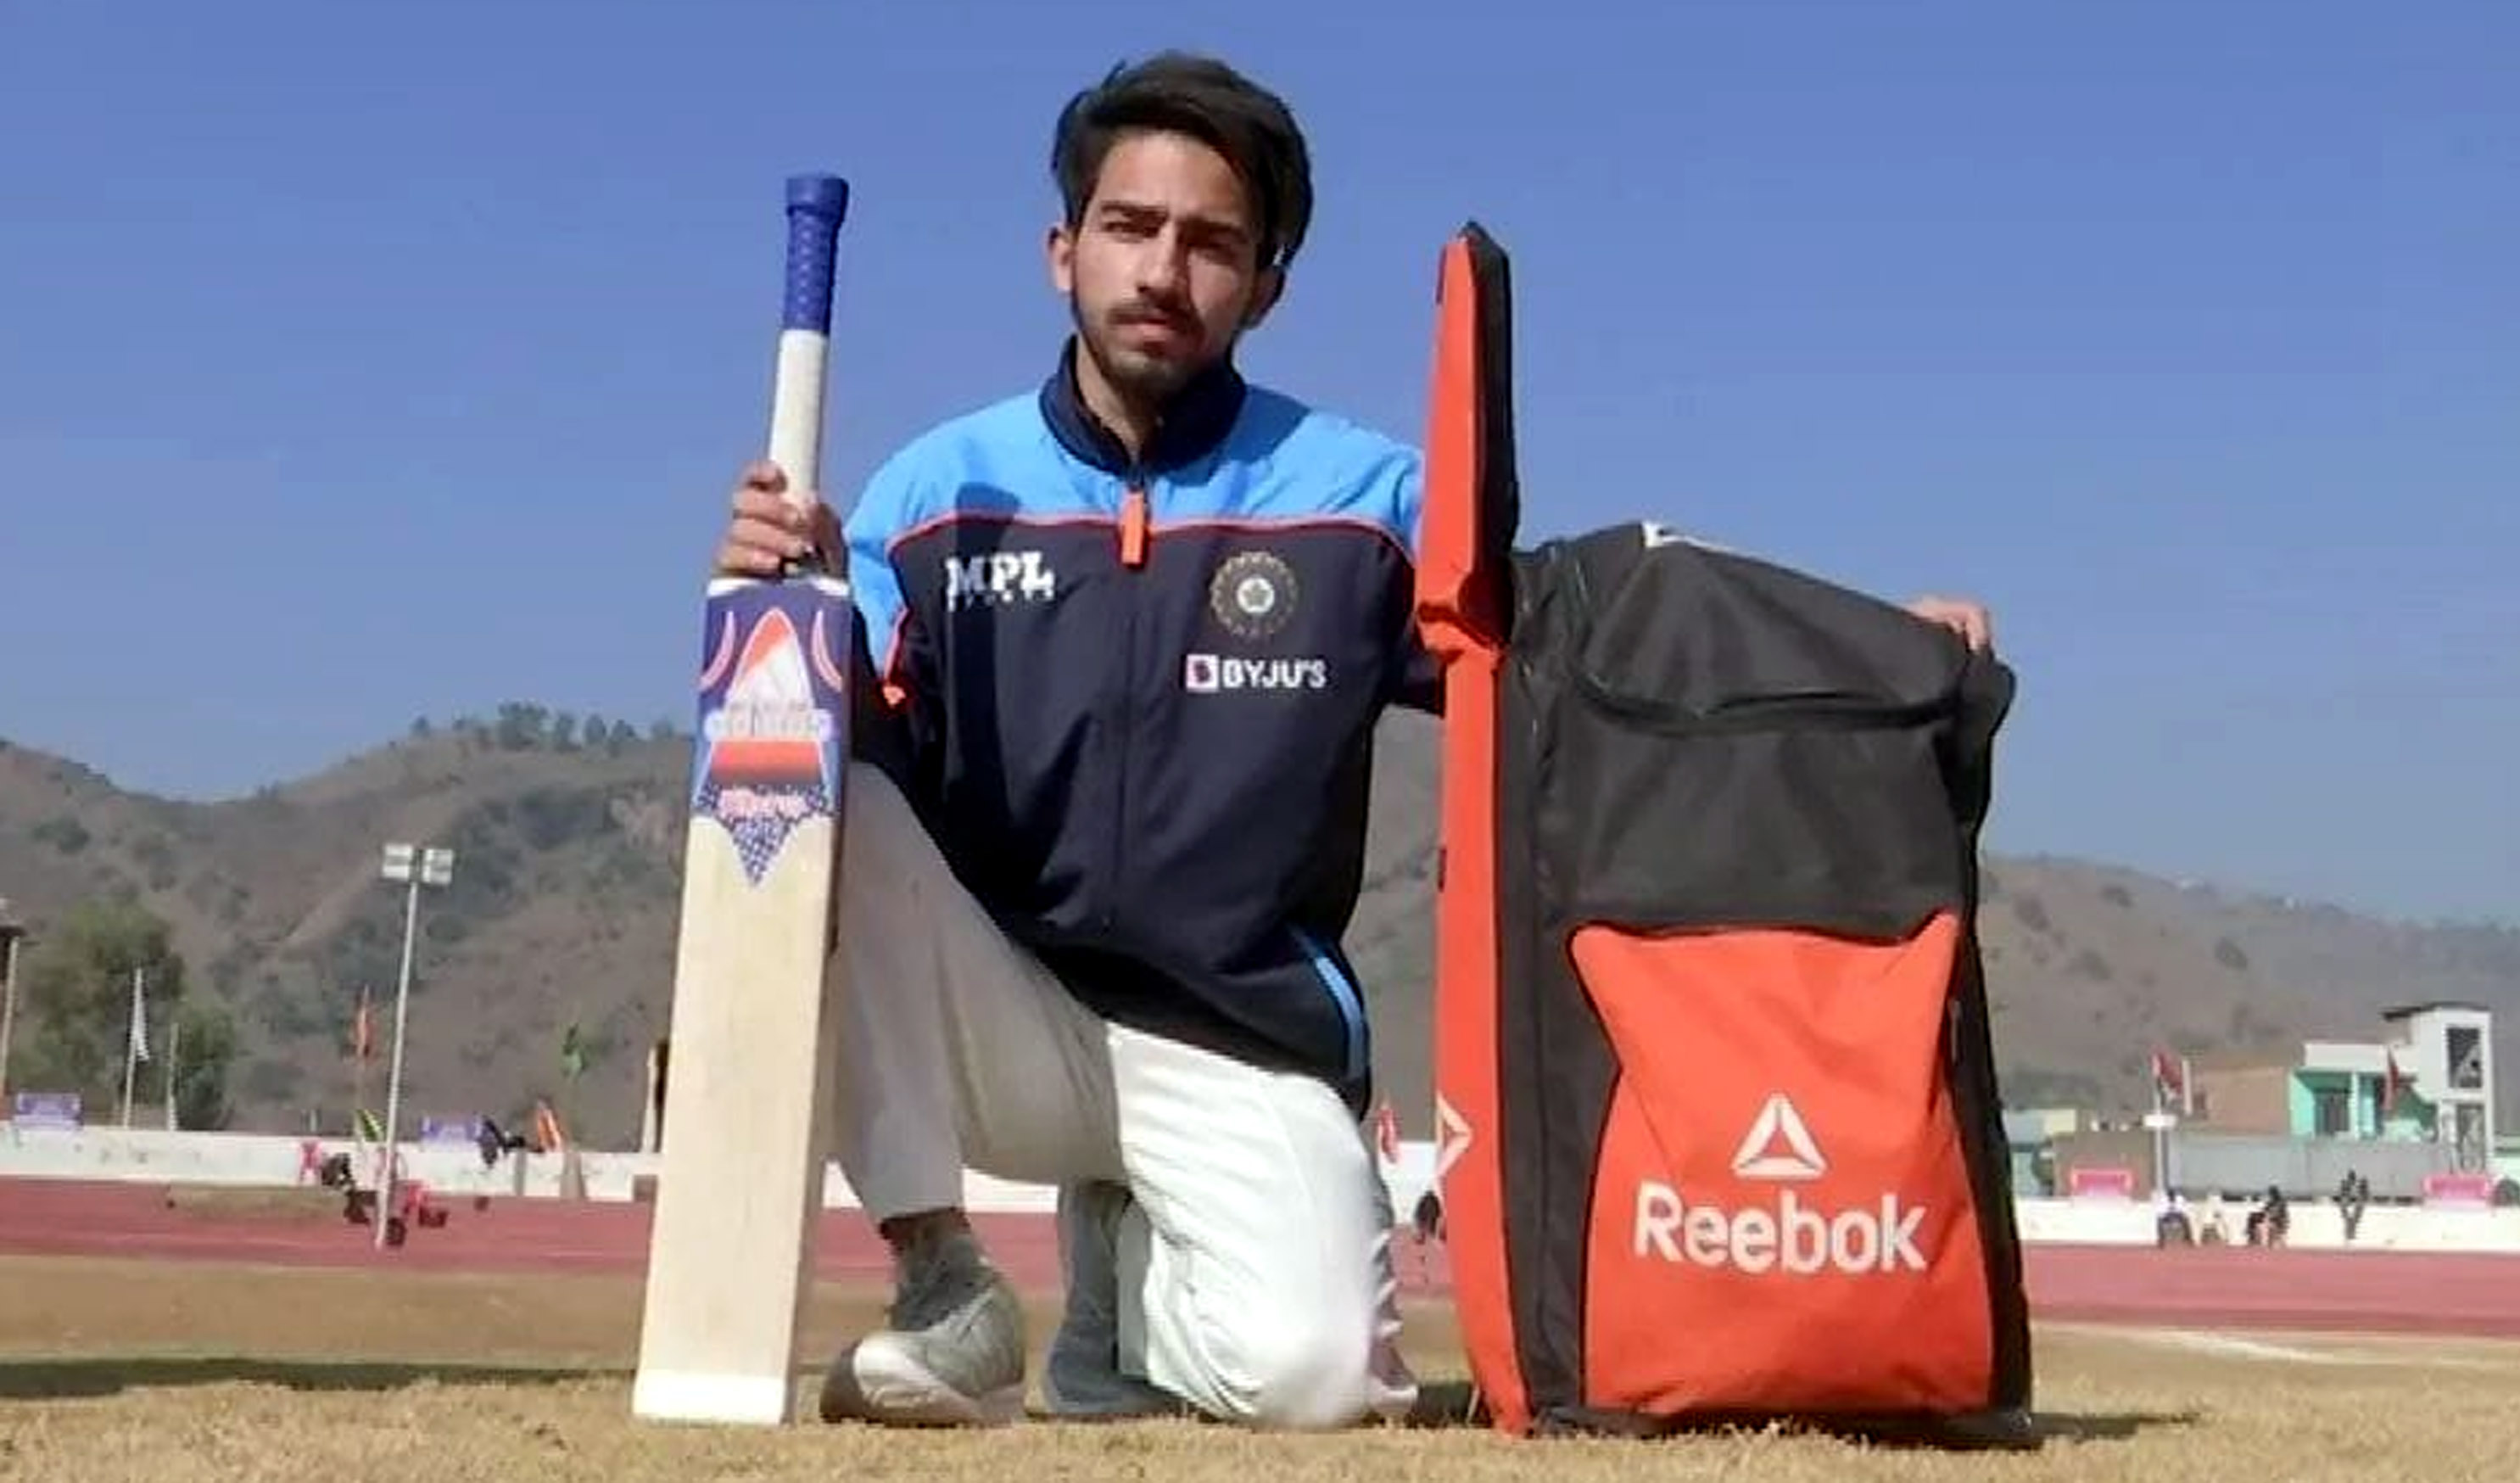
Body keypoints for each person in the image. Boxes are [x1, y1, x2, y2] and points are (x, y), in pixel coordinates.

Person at [709, 50, 1999, 1432]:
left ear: (1266, 288)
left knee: (1318, 1377)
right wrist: (798, 622)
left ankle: (1123, 1304)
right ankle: (943, 1291)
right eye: (1130, 227)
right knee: (820, 803)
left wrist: (1859, 642)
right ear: (1062, 251)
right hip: (1000, 1015)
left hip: (1235, 1040)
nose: (1163, 272)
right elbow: (862, 765)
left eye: (1213, 244)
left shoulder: (1367, 497)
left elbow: (1587, 642)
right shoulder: (933, 496)